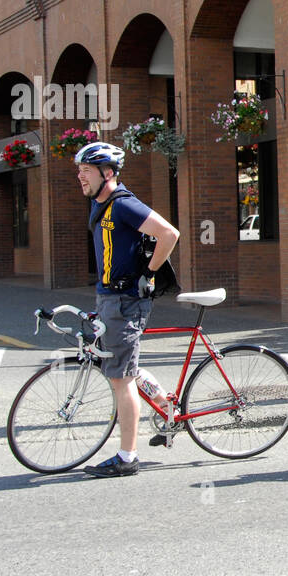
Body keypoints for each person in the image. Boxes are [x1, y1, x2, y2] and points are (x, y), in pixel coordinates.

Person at [75, 141, 180, 478]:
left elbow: (168, 233)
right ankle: (164, 403)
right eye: (79, 171)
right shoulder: (100, 205)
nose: (80, 176)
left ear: (108, 173)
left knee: (121, 379)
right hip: (109, 299)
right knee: (125, 368)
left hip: (125, 302)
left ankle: (127, 457)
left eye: (86, 171)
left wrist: (148, 273)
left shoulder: (123, 205)